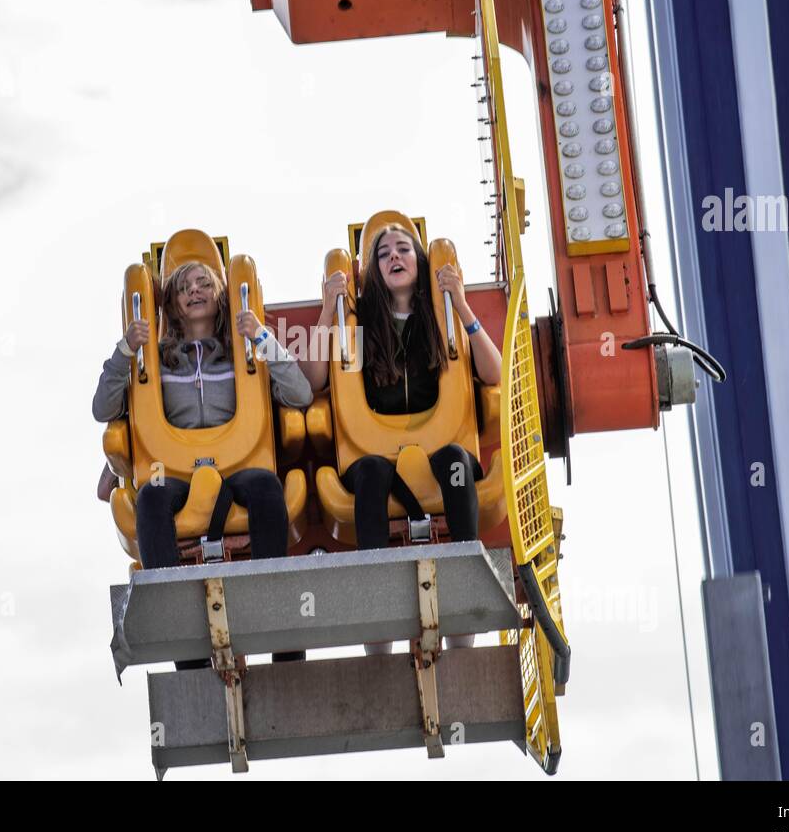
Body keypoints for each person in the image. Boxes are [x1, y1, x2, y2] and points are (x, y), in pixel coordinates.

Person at [93, 260, 313, 666]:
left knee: (266, 488)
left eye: (203, 283)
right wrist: (126, 349)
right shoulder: (153, 363)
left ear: (220, 295)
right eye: (184, 287)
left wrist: (262, 338)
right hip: (176, 472)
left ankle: (276, 618)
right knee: (152, 499)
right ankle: (177, 627)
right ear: (173, 305)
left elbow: (299, 394)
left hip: (238, 465)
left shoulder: (243, 355)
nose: (195, 291)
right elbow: (102, 407)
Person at [300, 221, 502, 652]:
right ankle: (380, 623)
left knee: (456, 461)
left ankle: (463, 608)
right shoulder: (357, 323)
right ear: (373, 270)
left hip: (438, 448)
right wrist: (325, 312)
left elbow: (494, 372)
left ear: (420, 261)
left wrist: (463, 307)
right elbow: (311, 381)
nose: (394, 257)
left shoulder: (442, 316)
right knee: (371, 473)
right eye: (383, 253)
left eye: (403, 249)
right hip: (374, 454)